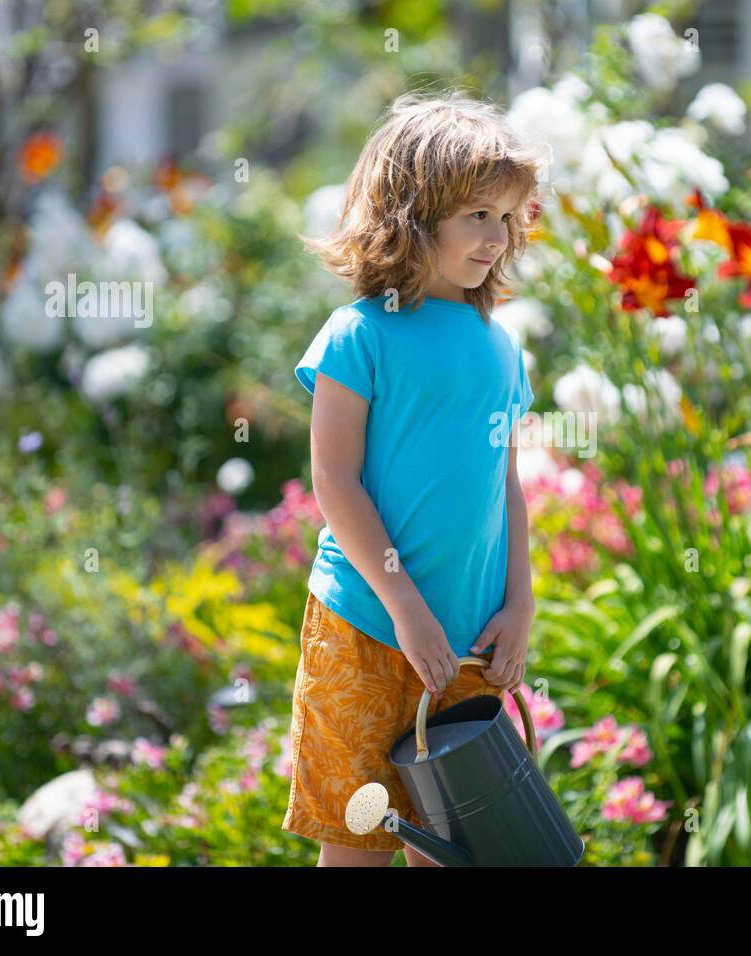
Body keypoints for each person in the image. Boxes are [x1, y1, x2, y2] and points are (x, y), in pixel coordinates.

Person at [281, 88, 547, 867]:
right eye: (477, 215)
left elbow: (506, 488)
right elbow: (334, 480)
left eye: (508, 217)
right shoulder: (360, 335)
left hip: (466, 644)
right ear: (411, 212)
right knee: (360, 842)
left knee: (463, 849)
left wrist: (520, 604)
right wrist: (404, 607)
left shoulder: (498, 347)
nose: (498, 237)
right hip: (366, 626)